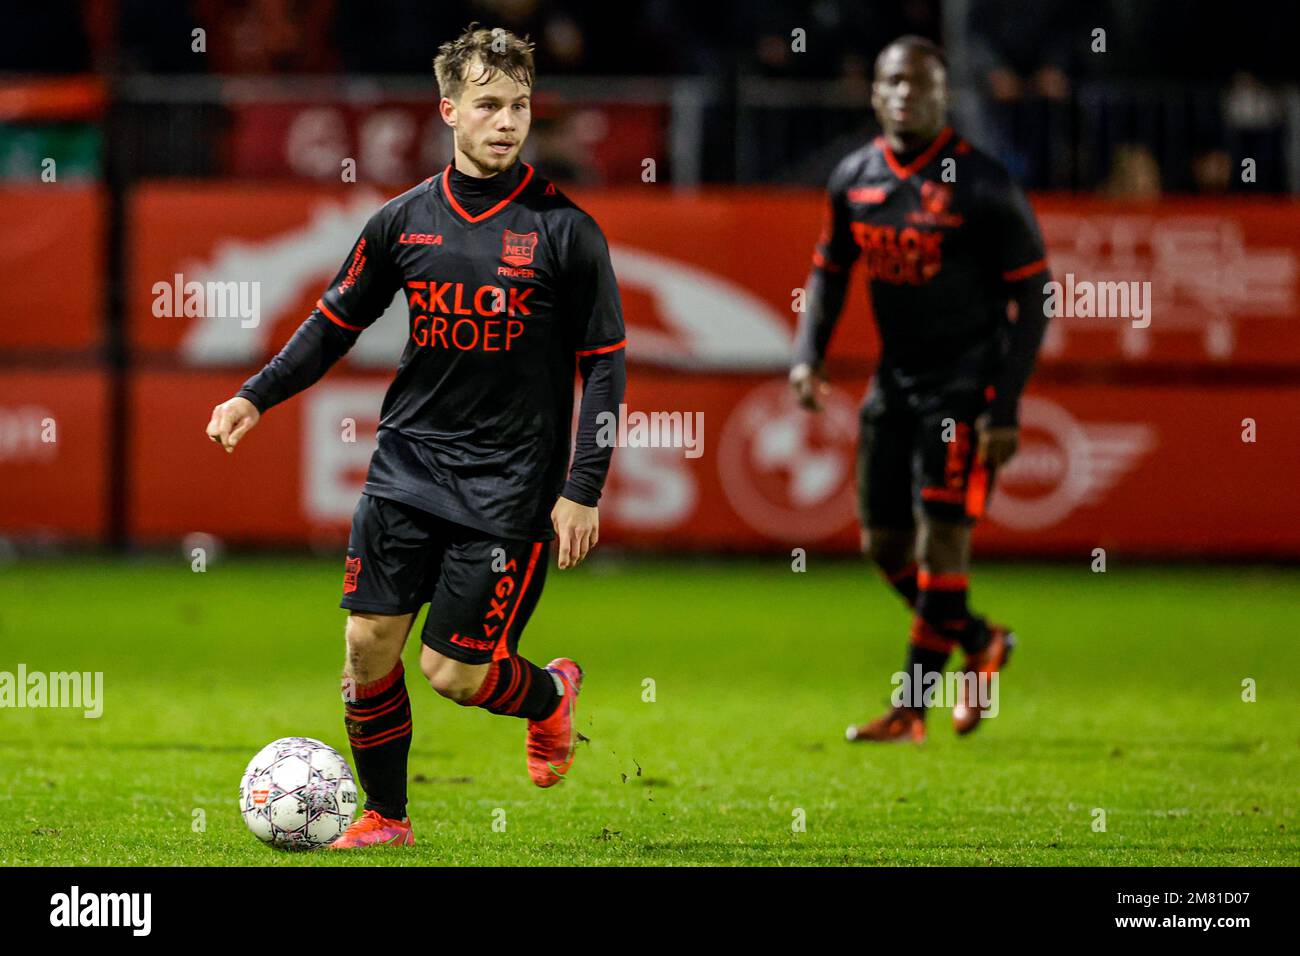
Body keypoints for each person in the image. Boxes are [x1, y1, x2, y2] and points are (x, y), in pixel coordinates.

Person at [206, 24, 626, 846]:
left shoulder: (565, 231)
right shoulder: (402, 222)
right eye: (489, 105)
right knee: (366, 647)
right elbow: (333, 324)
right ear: (449, 110)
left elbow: (605, 367)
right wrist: (255, 397)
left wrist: (582, 489)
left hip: (510, 486)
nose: (507, 121)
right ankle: (386, 817)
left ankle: (549, 695)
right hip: (406, 466)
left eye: (521, 106)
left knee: (455, 675)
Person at [790, 35, 1050, 742]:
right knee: (883, 544)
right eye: (893, 82)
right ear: (875, 92)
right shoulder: (854, 178)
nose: (906, 95)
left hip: (963, 392)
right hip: (894, 385)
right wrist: (808, 355)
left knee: (942, 548)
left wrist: (1006, 404)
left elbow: (1036, 297)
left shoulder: (984, 183)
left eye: (921, 85)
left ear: (943, 96)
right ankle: (980, 640)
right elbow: (830, 270)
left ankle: (910, 708)